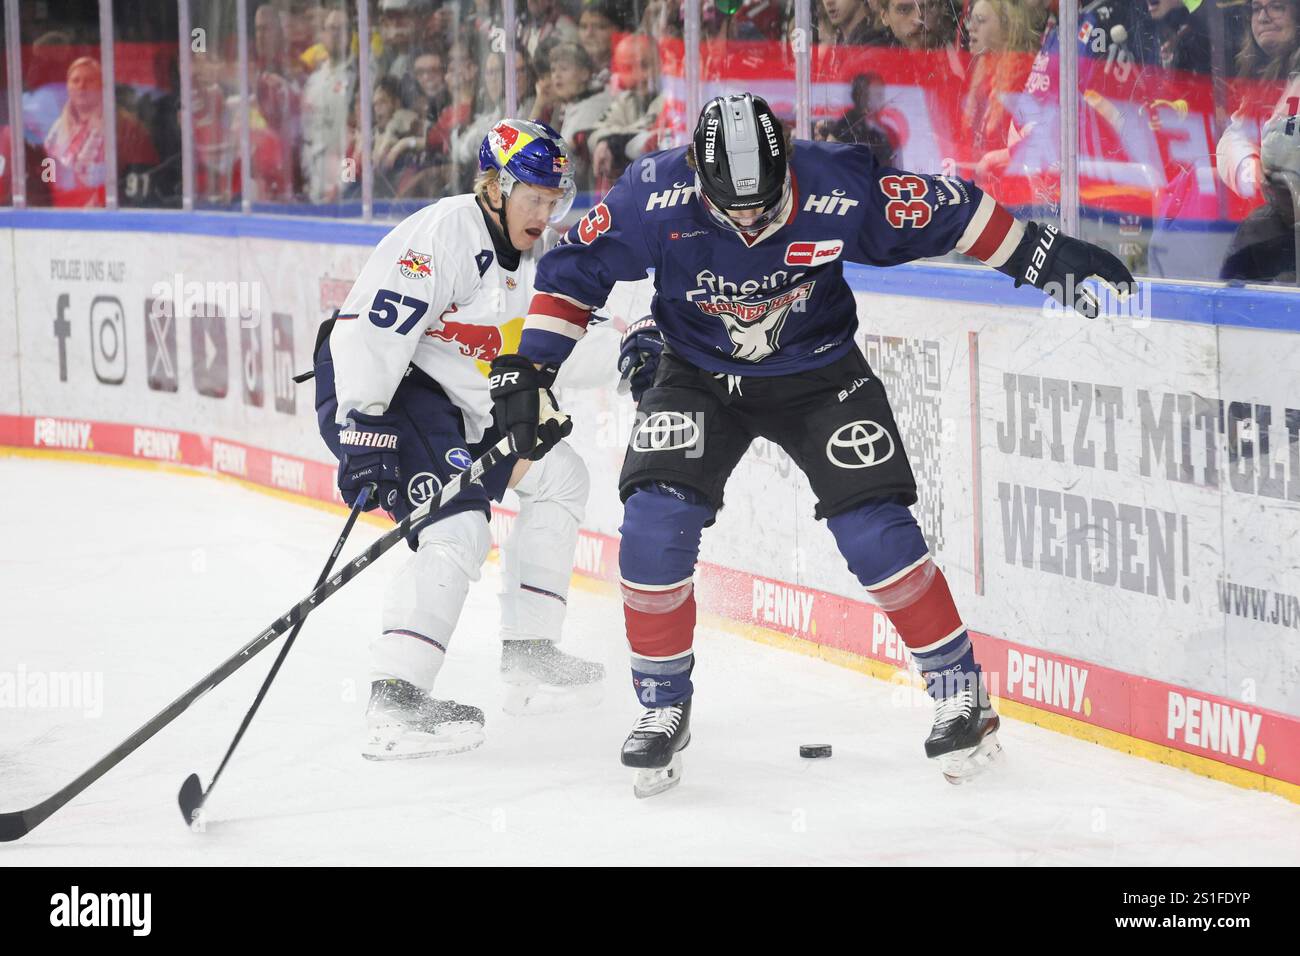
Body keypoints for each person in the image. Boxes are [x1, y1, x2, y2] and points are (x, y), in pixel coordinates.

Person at [489, 92, 1134, 796]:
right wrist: (529, 372)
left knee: (876, 531)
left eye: (763, 206)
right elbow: (573, 275)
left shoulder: (837, 184)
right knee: (652, 524)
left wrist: (1038, 255)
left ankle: (962, 694)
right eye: (729, 207)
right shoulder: (653, 191)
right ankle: (662, 705)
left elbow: (952, 209)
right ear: (697, 179)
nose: (746, 221)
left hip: (819, 373)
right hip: (696, 373)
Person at [313, 120, 605, 759]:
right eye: (533, 195)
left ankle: (530, 654)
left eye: (554, 199)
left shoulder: (525, 259)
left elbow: (513, 351)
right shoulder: (447, 233)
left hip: (456, 403)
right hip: (390, 393)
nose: (545, 210)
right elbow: (373, 329)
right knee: (458, 527)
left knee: (562, 477)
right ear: (495, 187)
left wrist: (536, 406)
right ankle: (396, 696)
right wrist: (364, 427)